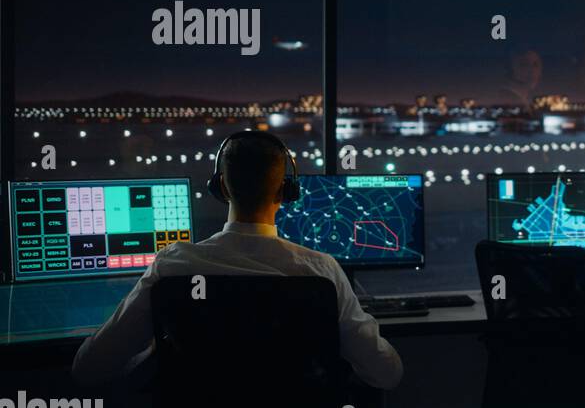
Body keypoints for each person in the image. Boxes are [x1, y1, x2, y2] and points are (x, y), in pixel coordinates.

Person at [72, 131, 404, 389]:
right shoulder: (321, 272)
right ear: (285, 192)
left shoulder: (174, 266)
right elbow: (387, 373)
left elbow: (88, 368)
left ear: (220, 188)